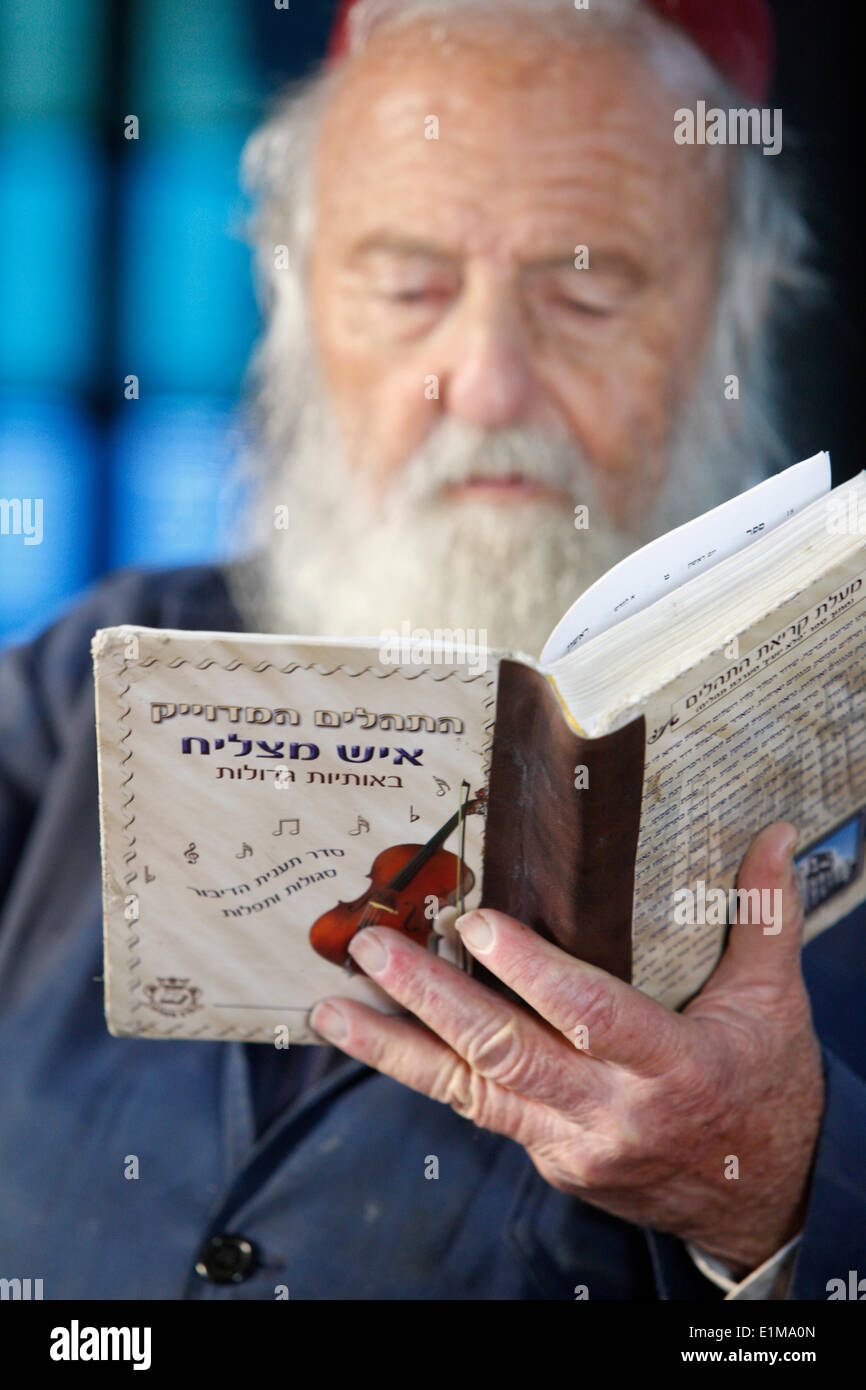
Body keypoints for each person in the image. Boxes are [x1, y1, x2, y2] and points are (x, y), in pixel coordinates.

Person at [1, 0, 863, 1302]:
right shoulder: (79, 691)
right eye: (408, 285)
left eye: (584, 288)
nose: (488, 379)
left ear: (737, 312)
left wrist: (774, 1180)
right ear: (292, 301)